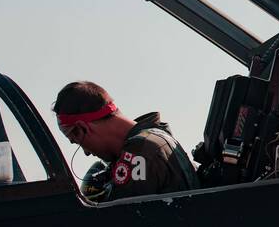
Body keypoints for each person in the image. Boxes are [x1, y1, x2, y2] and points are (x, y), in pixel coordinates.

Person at [53, 81, 197, 201]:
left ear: (83, 128)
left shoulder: (141, 152)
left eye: (78, 142)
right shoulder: (155, 137)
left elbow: (121, 224)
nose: (86, 152)